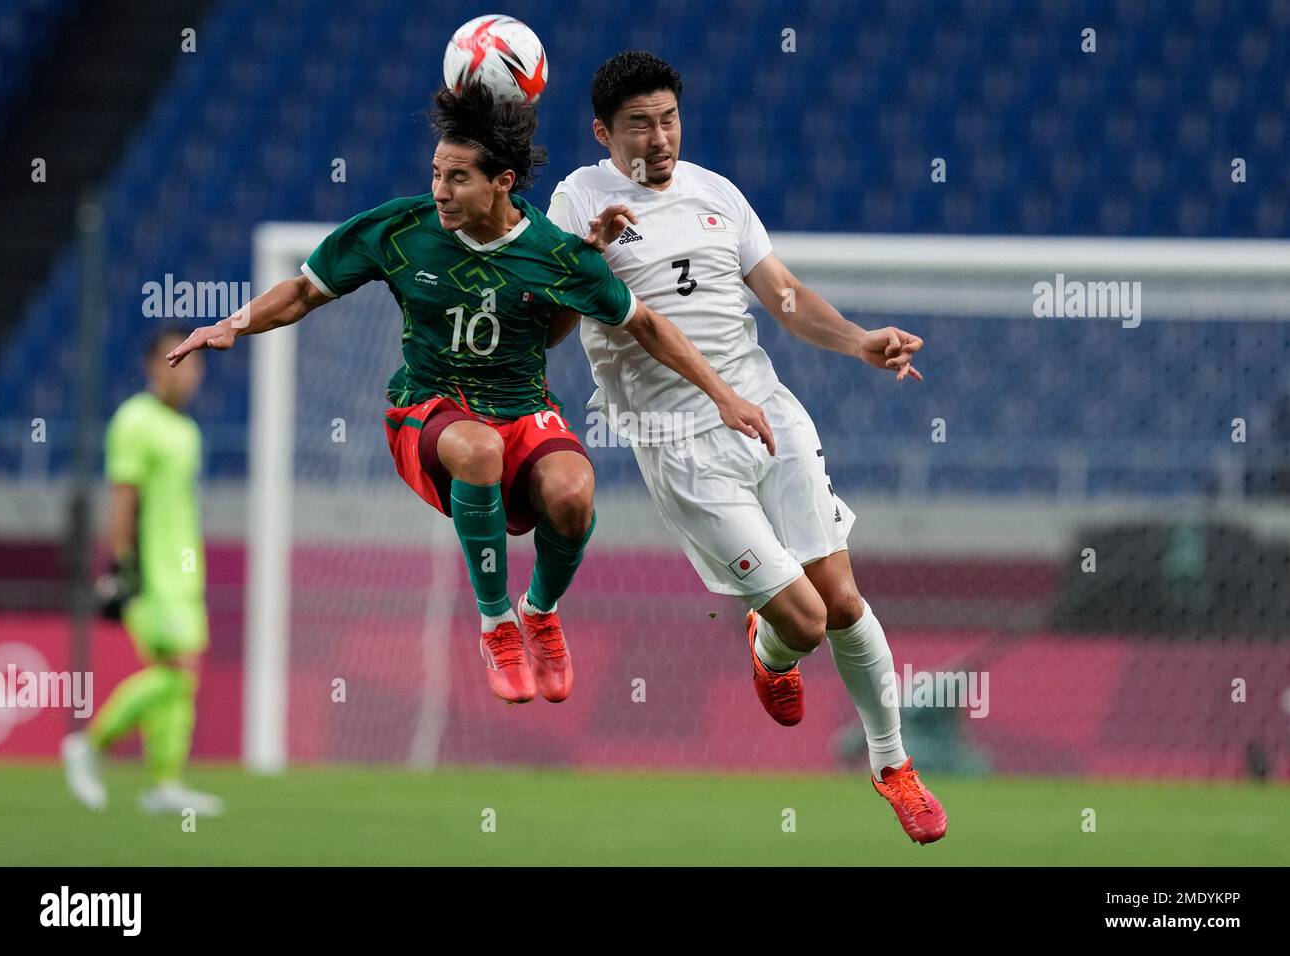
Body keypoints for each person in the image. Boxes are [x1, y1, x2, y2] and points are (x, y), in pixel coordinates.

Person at [166, 82, 773, 706]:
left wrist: (724, 395)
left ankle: (539, 610)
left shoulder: (556, 254)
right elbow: (302, 290)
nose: (439, 191)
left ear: (502, 182)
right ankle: (496, 623)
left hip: (522, 406)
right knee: (478, 448)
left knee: (572, 490)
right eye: (435, 173)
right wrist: (233, 323)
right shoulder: (398, 230)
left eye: (457, 178)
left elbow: (644, 324)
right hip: (426, 410)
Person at [546, 51, 946, 843]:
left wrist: (860, 340)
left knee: (841, 602)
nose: (658, 139)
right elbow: (553, 323)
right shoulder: (576, 200)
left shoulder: (716, 193)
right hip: (680, 440)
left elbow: (785, 299)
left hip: (767, 411)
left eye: (668, 120)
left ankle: (893, 765)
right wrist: (588, 251)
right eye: (638, 126)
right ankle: (770, 653)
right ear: (602, 132)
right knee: (799, 618)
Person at [63, 326, 224, 816]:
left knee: (181, 675)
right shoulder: (135, 421)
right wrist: (120, 567)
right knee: (176, 673)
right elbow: (123, 498)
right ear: (154, 366)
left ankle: (164, 785)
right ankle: (89, 744)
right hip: (151, 572)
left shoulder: (187, 430)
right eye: (180, 362)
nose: (189, 373)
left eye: (196, 364)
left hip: (183, 571)